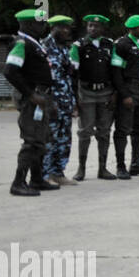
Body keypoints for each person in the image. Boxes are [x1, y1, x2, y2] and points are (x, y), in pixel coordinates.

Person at [3, 8, 60, 195]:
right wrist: (30, 94)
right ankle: (18, 183)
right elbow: (10, 71)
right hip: (33, 98)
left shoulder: (34, 43)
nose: (44, 26)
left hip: (42, 96)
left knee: (41, 139)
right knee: (31, 141)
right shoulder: (21, 43)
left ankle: (36, 179)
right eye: (40, 23)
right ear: (27, 24)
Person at [70, 14, 121, 180]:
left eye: (96, 26)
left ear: (103, 29)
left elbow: (115, 70)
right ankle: (81, 168)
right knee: (85, 132)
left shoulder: (110, 45)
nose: (93, 28)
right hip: (86, 93)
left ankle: (103, 168)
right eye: (90, 25)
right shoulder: (78, 46)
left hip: (106, 92)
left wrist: (115, 93)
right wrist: (75, 98)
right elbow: (73, 73)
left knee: (104, 132)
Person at [110, 14, 139, 178]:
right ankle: (120, 166)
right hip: (129, 89)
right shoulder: (121, 44)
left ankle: (136, 163)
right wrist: (124, 94)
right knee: (123, 129)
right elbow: (116, 72)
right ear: (132, 29)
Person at [41, 15, 77, 186]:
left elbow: (67, 76)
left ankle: (58, 172)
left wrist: (73, 101)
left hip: (65, 101)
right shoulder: (44, 47)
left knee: (64, 138)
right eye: (61, 28)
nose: (65, 31)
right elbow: (43, 79)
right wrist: (49, 102)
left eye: (67, 28)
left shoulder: (64, 48)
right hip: (51, 101)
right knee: (49, 138)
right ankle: (44, 175)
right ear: (52, 28)